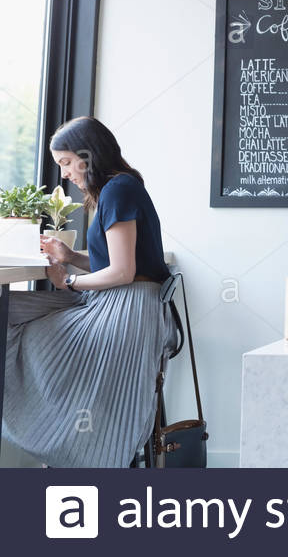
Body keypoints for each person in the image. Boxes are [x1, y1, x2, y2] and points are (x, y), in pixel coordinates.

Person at [3, 116, 175, 467]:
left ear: (88, 156)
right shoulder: (116, 189)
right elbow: (115, 264)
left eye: (66, 163)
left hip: (126, 309)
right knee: (12, 308)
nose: (64, 173)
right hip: (118, 302)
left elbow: (123, 272)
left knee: (27, 328)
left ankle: (50, 432)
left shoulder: (118, 190)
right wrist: (69, 257)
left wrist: (68, 281)